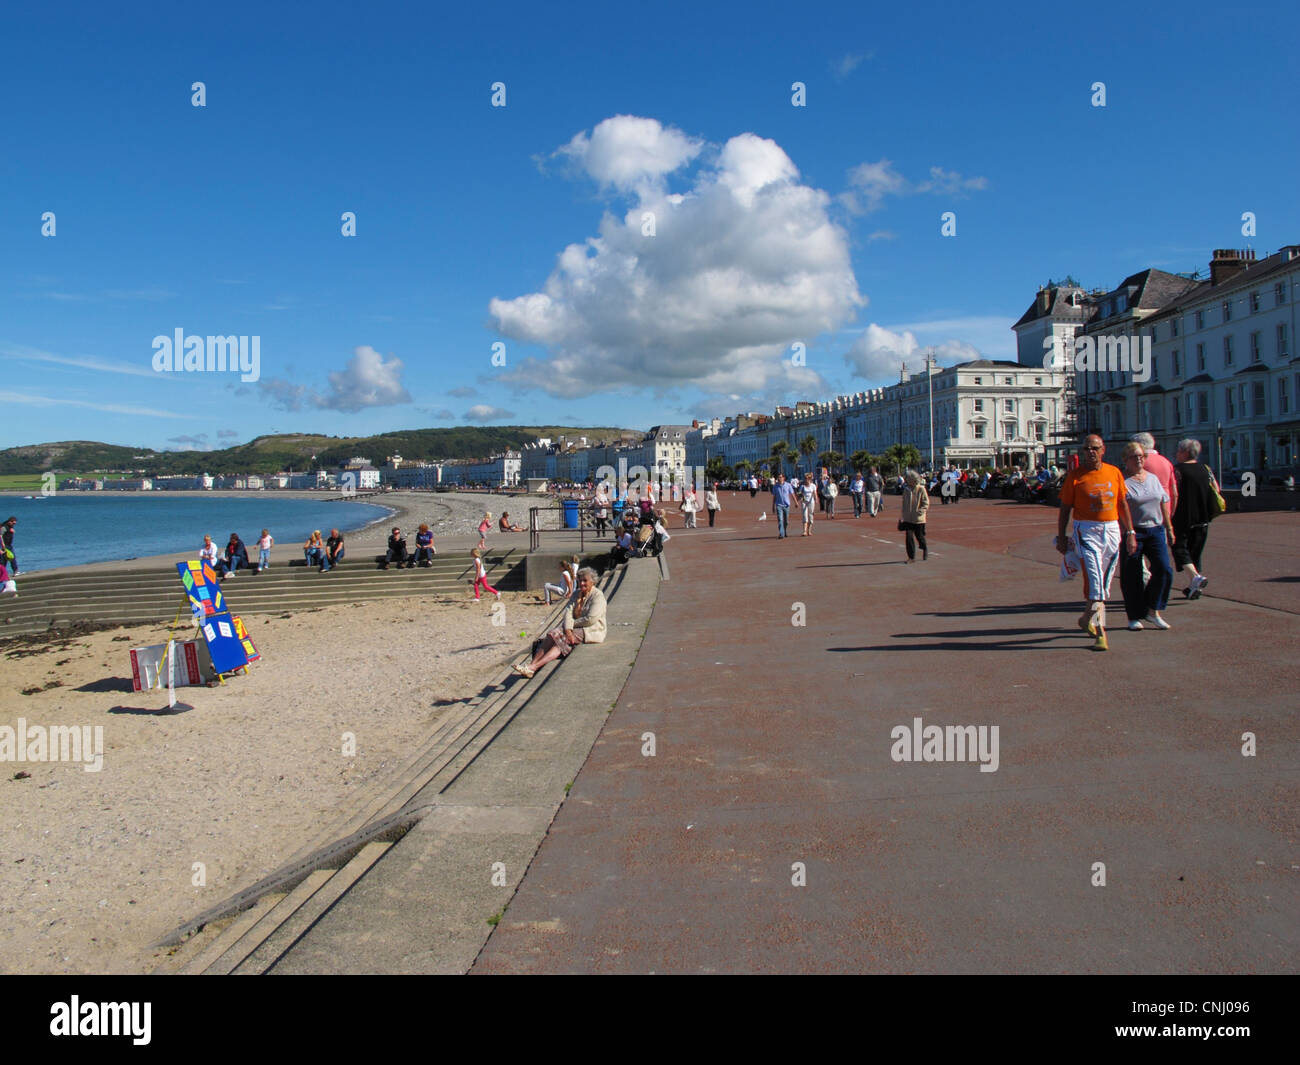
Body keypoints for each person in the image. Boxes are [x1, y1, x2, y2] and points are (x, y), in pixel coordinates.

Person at [1055, 435, 1135, 651]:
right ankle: (1101, 632)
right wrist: (1062, 536)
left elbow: (1122, 504)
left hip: (1111, 529)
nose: (1090, 452)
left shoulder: (1114, 472)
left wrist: (1130, 532)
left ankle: (1085, 618)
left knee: (1103, 583)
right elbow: (1064, 509)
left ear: (1103, 450)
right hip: (1086, 530)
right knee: (1095, 579)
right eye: (1086, 448)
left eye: (1094, 448)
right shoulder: (1075, 476)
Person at [1119, 441, 1174, 631]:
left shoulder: (1152, 478)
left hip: (1155, 529)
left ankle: (1153, 609)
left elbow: (1162, 504)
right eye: (1135, 456)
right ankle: (1134, 616)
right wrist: (1128, 533)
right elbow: (1119, 509)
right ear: (1126, 460)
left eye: (1142, 455)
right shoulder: (1122, 481)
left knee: (1164, 569)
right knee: (1132, 575)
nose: (1140, 459)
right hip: (1133, 531)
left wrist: (1169, 528)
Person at [513, 567, 605, 678]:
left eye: (585, 580)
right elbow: (568, 612)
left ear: (592, 581)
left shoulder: (597, 596)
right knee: (553, 634)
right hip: (575, 627)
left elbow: (591, 619)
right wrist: (567, 628)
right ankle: (531, 665)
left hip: (591, 630)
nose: (582, 583)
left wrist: (570, 627)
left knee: (562, 641)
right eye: (580, 580)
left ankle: (533, 667)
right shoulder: (576, 594)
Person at [1171, 438, 1216, 600]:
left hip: (1183, 517)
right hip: (1203, 516)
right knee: (1195, 553)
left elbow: (1173, 493)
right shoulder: (1206, 469)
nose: (1176, 454)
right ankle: (1193, 587)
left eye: (1178, 451)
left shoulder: (1177, 470)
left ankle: (1196, 578)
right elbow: (1216, 489)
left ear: (1184, 452)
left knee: (1179, 548)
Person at [1131, 432, 1178, 519]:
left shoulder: (1138, 463)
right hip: (1166, 507)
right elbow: (1174, 492)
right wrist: (1171, 511)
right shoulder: (1166, 462)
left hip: (1144, 511)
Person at [900, 471, 929, 562]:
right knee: (909, 537)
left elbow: (926, 502)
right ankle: (911, 557)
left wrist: (921, 511)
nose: (906, 480)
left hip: (918, 518)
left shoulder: (921, 489)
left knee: (919, 536)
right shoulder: (906, 490)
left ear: (913, 479)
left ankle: (924, 548)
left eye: (907, 478)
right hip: (908, 518)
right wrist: (903, 515)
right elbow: (904, 503)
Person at [771, 472, 795, 538]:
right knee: (780, 519)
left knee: (786, 521)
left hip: (786, 505)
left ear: (784, 478)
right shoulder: (775, 486)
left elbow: (792, 494)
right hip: (779, 505)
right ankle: (781, 533)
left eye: (781, 477)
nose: (779, 478)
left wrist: (796, 502)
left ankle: (784, 531)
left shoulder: (788, 485)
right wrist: (773, 506)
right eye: (778, 477)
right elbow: (774, 496)